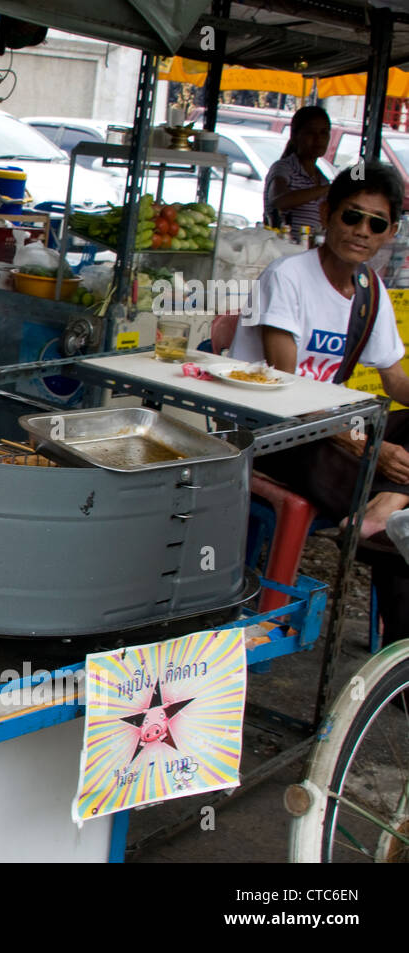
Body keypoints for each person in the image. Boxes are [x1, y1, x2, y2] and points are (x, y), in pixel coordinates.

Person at [232, 161, 409, 639]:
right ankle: (387, 512)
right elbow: (286, 389)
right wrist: (367, 447)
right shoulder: (287, 275)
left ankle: (386, 508)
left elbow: (394, 380)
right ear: (328, 214)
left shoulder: (371, 291)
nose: (361, 231)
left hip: (334, 430)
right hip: (280, 434)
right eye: (352, 216)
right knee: (400, 532)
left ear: (389, 232)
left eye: (376, 223)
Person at [262, 105, 331, 235]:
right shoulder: (283, 168)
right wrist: (328, 189)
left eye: (324, 132)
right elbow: (279, 200)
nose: (318, 139)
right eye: (311, 132)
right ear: (294, 136)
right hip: (282, 249)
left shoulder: (322, 179)